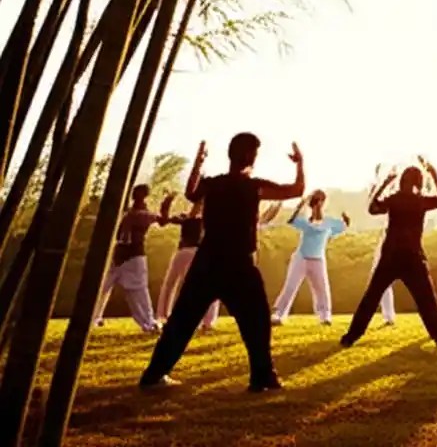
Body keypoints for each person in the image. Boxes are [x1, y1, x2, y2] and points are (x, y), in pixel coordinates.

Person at [140, 135, 304, 391]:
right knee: (257, 320)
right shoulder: (254, 186)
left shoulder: (213, 184)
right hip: (239, 262)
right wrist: (300, 163)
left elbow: (190, 192)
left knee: (183, 319)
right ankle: (262, 377)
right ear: (251, 157)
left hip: (207, 259)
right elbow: (296, 190)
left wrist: (198, 162)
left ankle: (153, 375)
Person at [342, 159, 437, 347]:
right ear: (418, 182)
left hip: (391, 255)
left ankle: (351, 337)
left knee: (371, 297)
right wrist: (433, 171)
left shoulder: (394, 199)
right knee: (426, 300)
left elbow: (372, 208)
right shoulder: (420, 201)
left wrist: (385, 183)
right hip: (413, 256)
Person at [94, 186, 174, 333]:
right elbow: (162, 220)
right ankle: (148, 323)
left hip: (123, 255)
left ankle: (93, 318)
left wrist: (166, 202)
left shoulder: (133, 214)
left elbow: (160, 220)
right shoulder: (141, 214)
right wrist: (167, 202)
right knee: (136, 291)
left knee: (105, 288)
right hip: (130, 256)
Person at [271, 190, 349, 326]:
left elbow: (344, 225)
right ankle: (278, 314)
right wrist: (301, 204)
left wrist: (346, 217)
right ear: (312, 205)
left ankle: (325, 317)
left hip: (318, 260)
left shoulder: (329, 223)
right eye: (316, 202)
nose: (319, 205)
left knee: (322, 289)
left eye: (321, 201)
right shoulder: (305, 222)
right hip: (301, 259)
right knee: (290, 287)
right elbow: (291, 220)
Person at [156, 199, 219, 332]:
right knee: (170, 283)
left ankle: (206, 320)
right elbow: (165, 219)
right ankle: (164, 315)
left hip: (196, 253)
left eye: (200, 204)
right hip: (182, 252)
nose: (198, 207)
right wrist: (166, 203)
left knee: (200, 286)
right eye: (197, 204)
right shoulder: (184, 218)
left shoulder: (207, 220)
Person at [363, 165, 396, 327]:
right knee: (380, 277)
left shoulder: (394, 193)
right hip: (388, 236)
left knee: (379, 276)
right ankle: (388, 316)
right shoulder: (389, 191)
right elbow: (372, 203)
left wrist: (383, 181)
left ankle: (388, 316)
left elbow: (373, 204)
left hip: (392, 237)